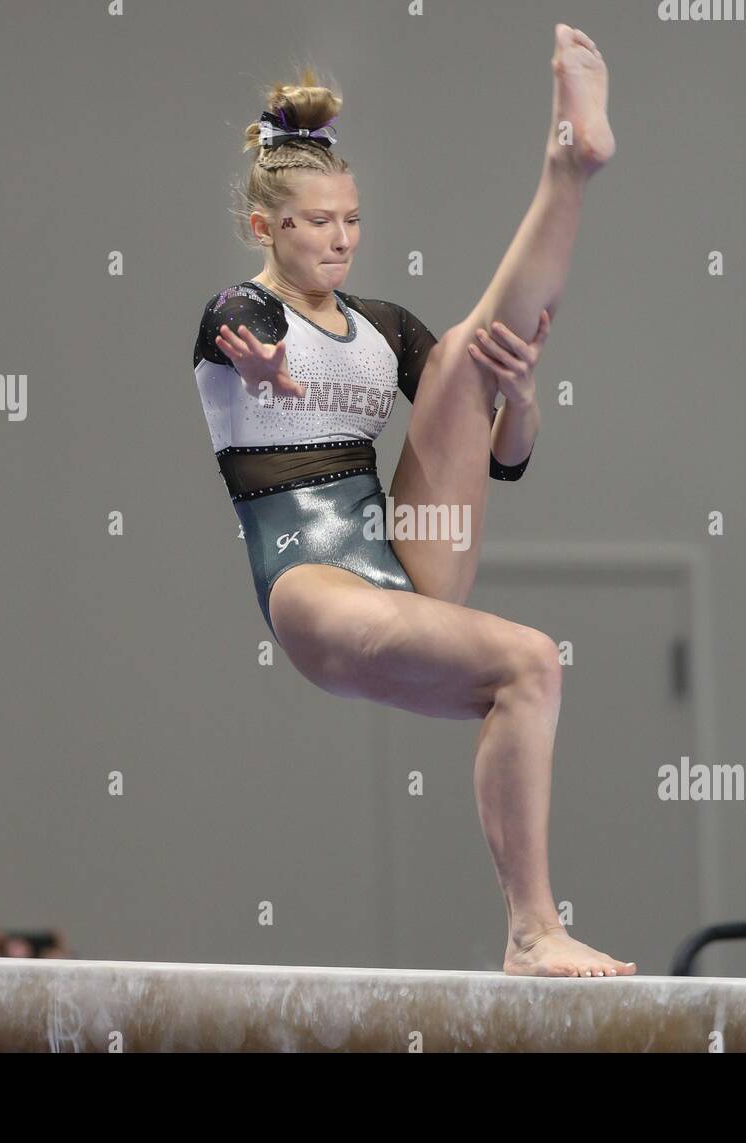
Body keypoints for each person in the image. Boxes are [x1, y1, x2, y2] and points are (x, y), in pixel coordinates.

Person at [193, 25, 634, 978]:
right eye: (316, 221)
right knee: (531, 658)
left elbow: (504, 462)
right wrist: (257, 361)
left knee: (478, 355)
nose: (341, 236)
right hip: (309, 584)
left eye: (351, 217)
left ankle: (572, 164)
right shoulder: (246, 311)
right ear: (266, 228)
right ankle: (531, 930)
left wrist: (520, 398)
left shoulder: (381, 328)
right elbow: (231, 325)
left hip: (402, 559)